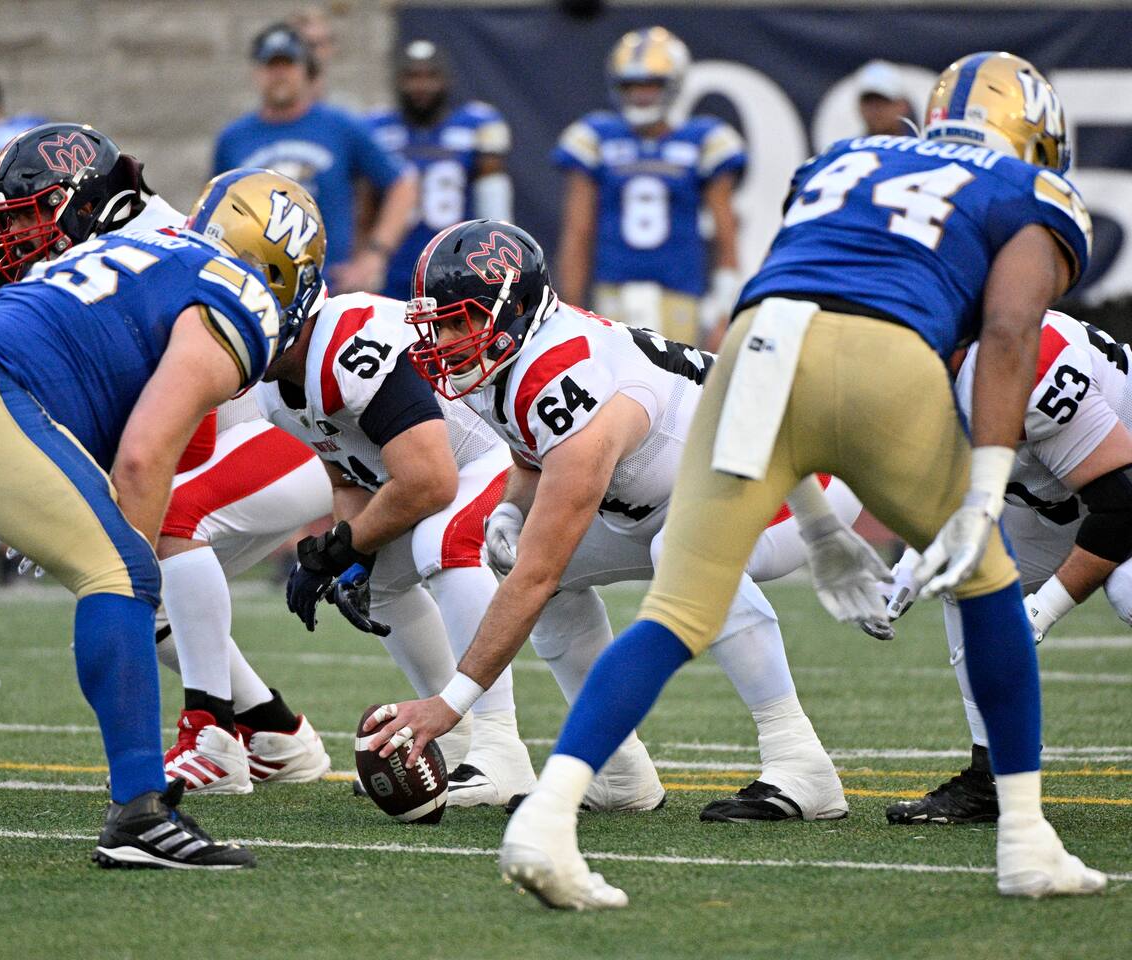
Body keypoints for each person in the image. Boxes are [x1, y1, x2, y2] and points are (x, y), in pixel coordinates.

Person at [496, 51, 1105, 906]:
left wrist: (821, 528)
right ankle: (1026, 839)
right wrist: (982, 489)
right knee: (989, 586)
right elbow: (1008, 335)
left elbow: (795, 311)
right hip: (881, 358)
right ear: (1033, 136)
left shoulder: (843, 162)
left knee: (677, 609)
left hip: (753, 351)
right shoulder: (1028, 190)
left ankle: (548, 819)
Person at [364, 219, 863, 824]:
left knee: (674, 550)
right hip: (670, 499)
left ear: (513, 309)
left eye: (457, 320)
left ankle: (799, 761)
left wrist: (451, 704)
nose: (442, 338)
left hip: (793, 470)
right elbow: (529, 451)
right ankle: (618, 770)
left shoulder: (566, 377)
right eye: (436, 322)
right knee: (540, 555)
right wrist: (511, 508)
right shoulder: (503, 359)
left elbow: (537, 575)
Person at [0, 151, 321, 869]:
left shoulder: (131, 244)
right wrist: (129, 584)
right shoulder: (239, 291)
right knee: (123, 573)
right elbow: (145, 455)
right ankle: (141, 813)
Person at [259, 289, 537, 806]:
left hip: (497, 454)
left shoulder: (350, 344)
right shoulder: (275, 392)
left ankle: (501, 745)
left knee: (443, 541)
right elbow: (346, 482)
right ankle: (456, 733)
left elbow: (432, 480)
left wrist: (340, 547)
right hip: (443, 473)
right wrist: (351, 554)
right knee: (375, 579)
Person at [885, 309, 1132, 823]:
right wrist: (914, 558)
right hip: (1067, 500)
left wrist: (1039, 613)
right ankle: (994, 776)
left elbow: (1121, 509)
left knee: (1128, 587)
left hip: (1120, 490)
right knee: (964, 571)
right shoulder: (919, 377)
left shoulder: (1029, 363)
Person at [553, 27, 743, 346]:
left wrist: (725, 311)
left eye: (651, 83)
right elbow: (577, 230)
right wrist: (566, 311)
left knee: (678, 390)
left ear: (674, 84)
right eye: (631, 84)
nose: (641, 93)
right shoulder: (596, 136)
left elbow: (726, 233)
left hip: (679, 293)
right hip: (612, 292)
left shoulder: (704, 139)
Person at [212, 22, 418, 294]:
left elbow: (402, 184)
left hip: (328, 287)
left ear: (306, 70)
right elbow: (216, 212)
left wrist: (374, 256)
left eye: (288, 65)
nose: (279, 75)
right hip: (256, 291)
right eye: (271, 66)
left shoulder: (340, 126)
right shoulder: (233, 138)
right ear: (256, 72)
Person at [366, 40, 513, 302]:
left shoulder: (476, 124)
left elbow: (495, 210)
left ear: (446, 80)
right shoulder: (376, 128)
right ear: (398, 80)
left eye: (430, 76)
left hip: (455, 267)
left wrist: (497, 257)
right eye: (412, 76)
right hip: (391, 266)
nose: (421, 86)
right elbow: (362, 203)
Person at [855, 61, 915, 137]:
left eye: (884, 102)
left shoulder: (924, 145)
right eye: (869, 102)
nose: (875, 110)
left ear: (903, 105)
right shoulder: (849, 148)